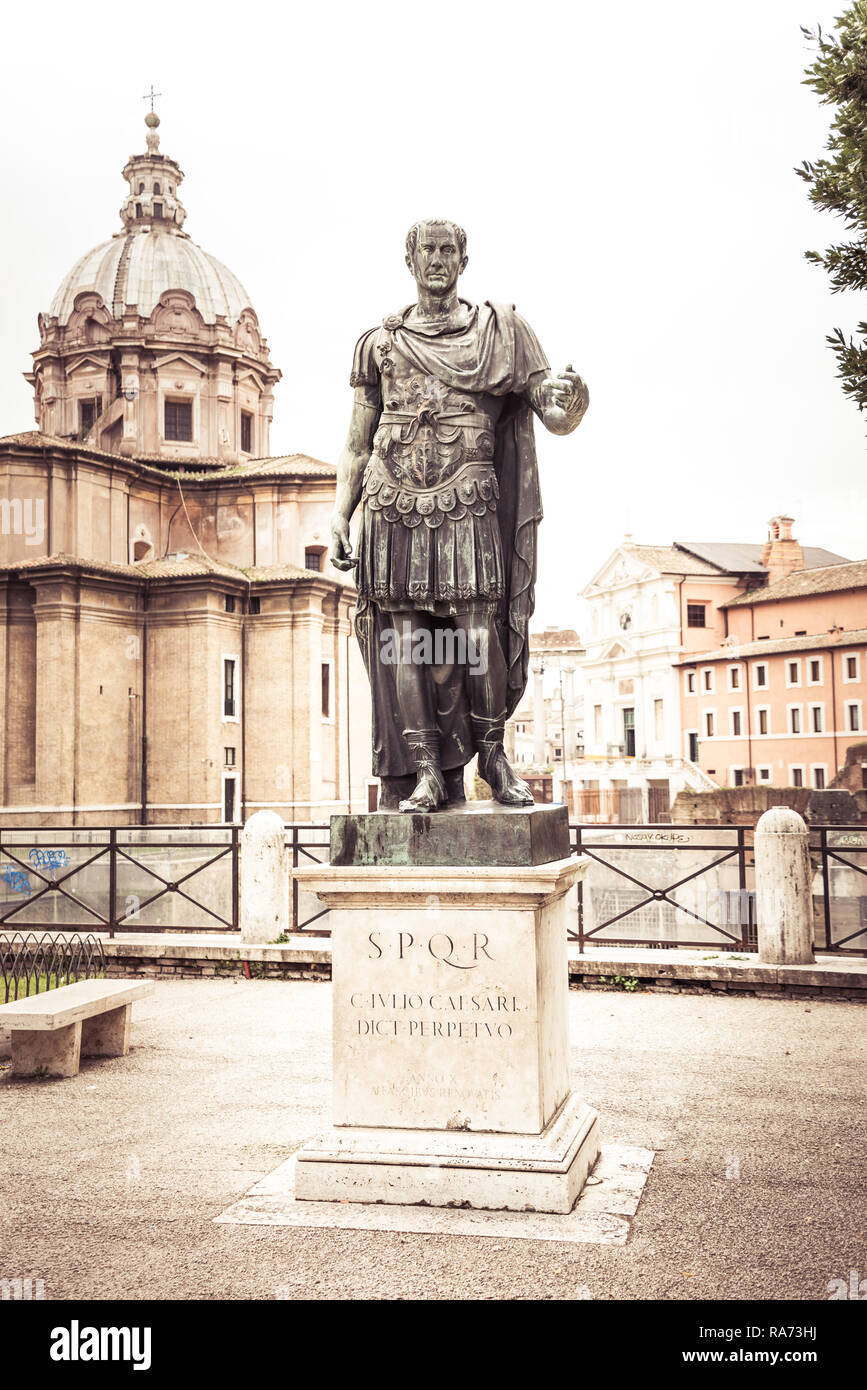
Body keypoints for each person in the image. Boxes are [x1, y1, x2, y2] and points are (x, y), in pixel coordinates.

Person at [330, 219, 588, 812]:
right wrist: (341, 515)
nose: (438, 259)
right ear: (411, 259)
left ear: (464, 260)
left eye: (449, 250)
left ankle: (493, 759)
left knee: (477, 632)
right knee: (403, 638)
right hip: (391, 500)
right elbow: (356, 442)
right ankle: (425, 770)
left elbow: (549, 409)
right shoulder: (378, 343)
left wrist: (570, 402)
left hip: (468, 497)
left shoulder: (501, 332)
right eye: (428, 249)